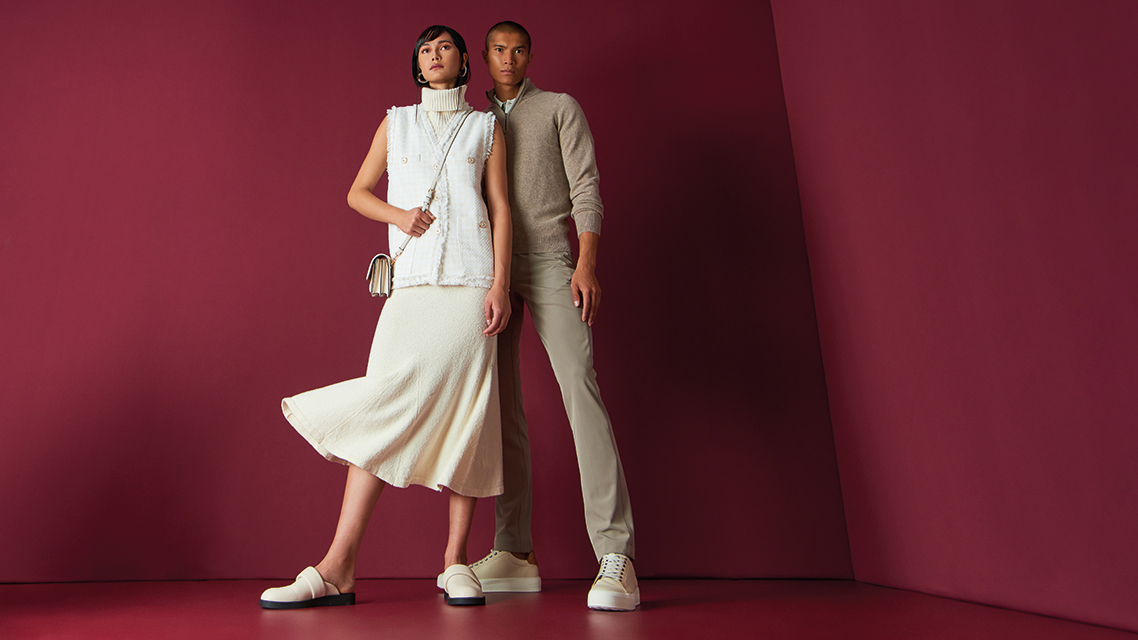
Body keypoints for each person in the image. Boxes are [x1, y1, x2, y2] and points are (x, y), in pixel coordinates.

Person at [259, 24, 511, 609]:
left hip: (471, 284)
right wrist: (399, 216)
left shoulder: (485, 127)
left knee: (470, 412)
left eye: (445, 46)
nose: (434, 54)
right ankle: (338, 566)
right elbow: (357, 192)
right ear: (417, 67)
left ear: (464, 61)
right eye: (425, 50)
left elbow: (499, 208)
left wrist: (500, 283)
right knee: (383, 403)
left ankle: (455, 562)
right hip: (412, 283)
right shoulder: (396, 123)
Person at [468, 21, 639, 611]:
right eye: (499, 50)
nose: (508, 58)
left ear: (529, 56)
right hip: (490, 271)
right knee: (501, 406)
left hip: (549, 261)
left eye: (518, 50)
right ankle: (514, 550)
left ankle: (616, 553)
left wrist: (584, 264)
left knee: (579, 390)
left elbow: (586, 187)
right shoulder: (473, 123)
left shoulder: (560, 108)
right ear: (484, 56)